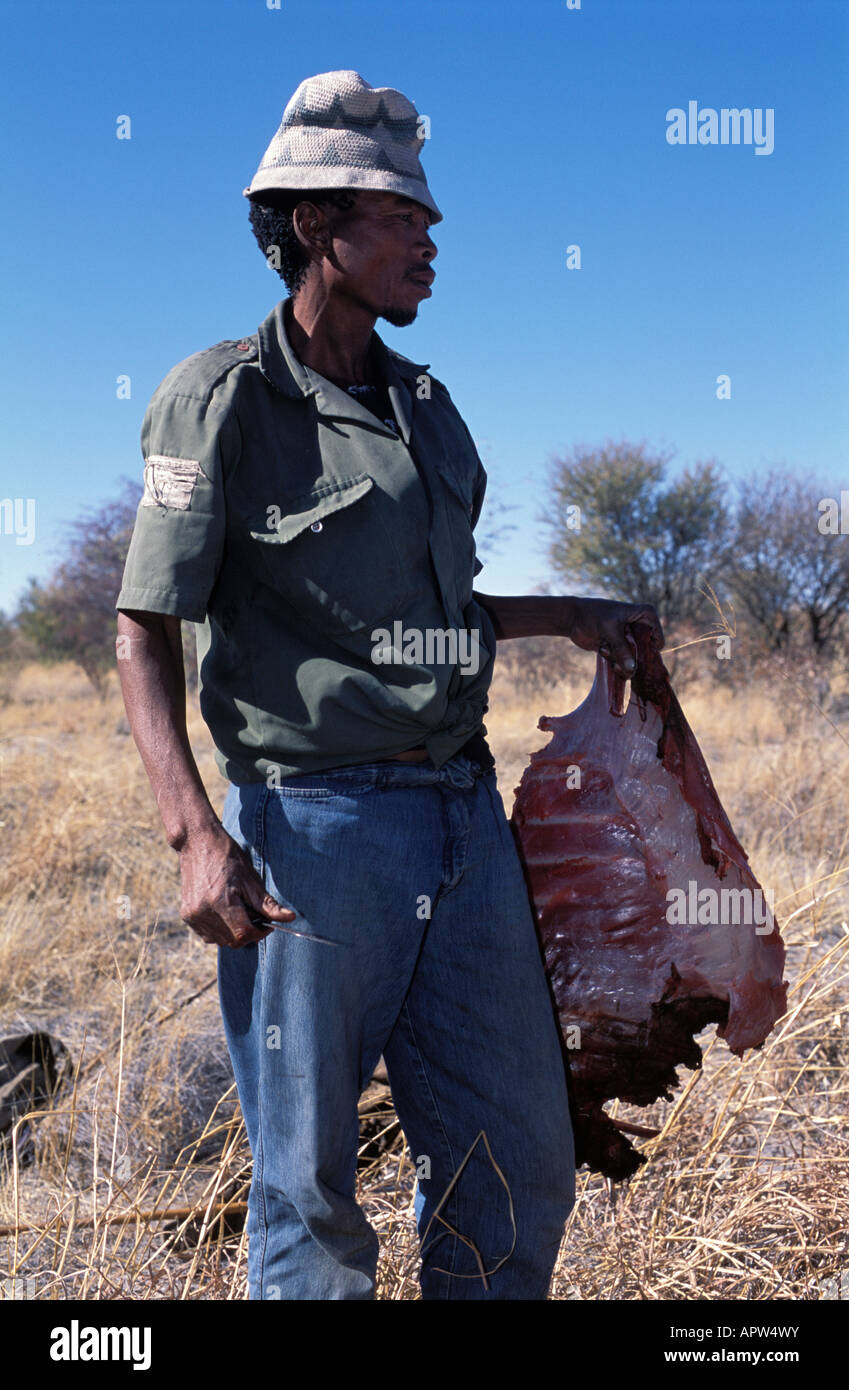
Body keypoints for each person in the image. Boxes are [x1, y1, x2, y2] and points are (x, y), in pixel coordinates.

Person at [115, 70, 663, 1301]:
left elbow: (439, 616)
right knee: (309, 1188)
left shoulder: (428, 408)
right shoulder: (221, 402)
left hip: (464, 822)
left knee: (513, 1156)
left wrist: (574, 617)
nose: (430, 239)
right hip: (317, 830)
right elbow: (145, 626)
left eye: (430, 219)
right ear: (318, 227)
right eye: (401, 216)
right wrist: (194, 833)